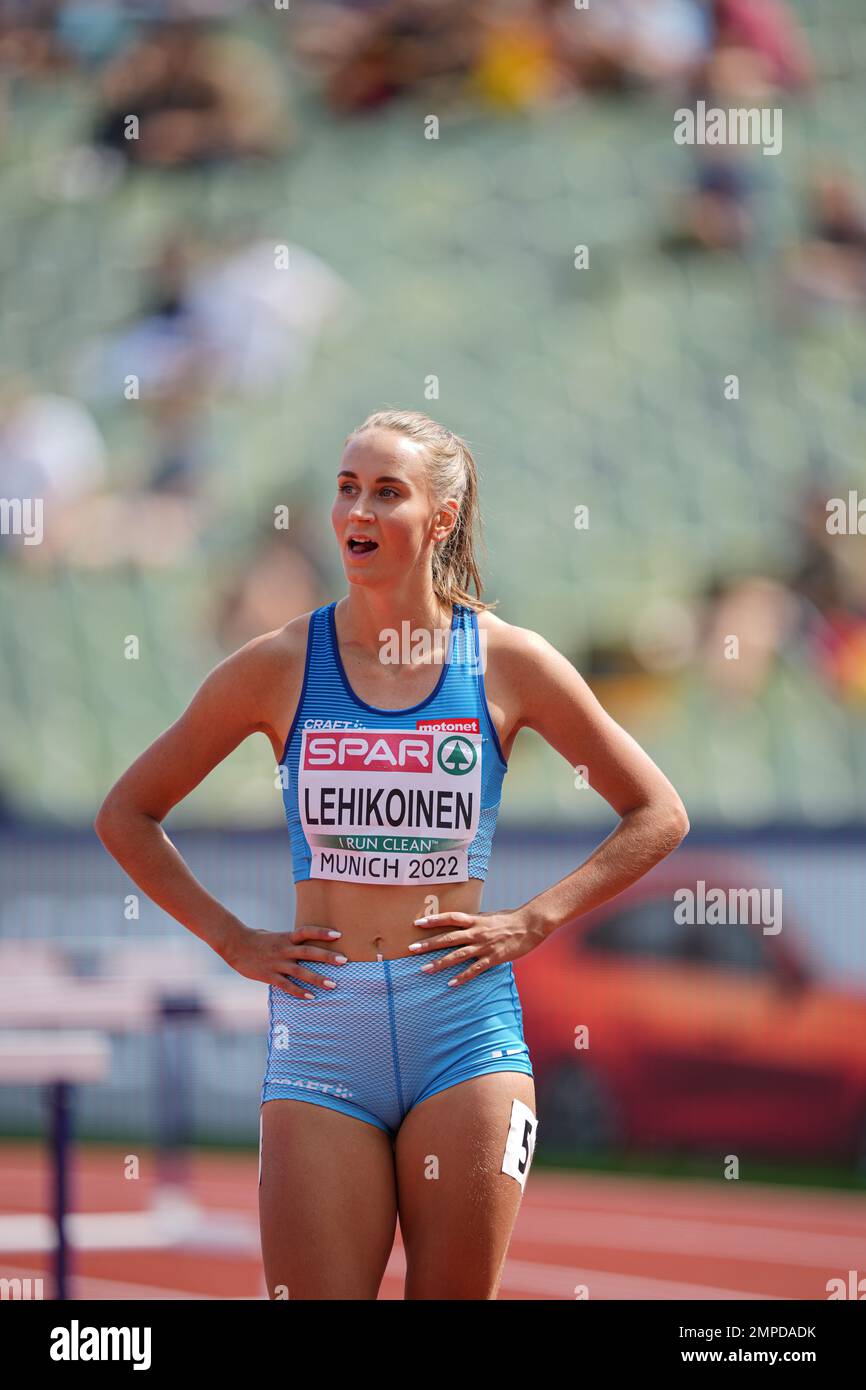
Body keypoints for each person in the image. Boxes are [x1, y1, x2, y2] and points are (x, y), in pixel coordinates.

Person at [94, 408, 689, 1300]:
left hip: (464, 1029)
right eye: (345, 489)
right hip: (323, 1029)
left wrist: (535, 919)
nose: (355, 512)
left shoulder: (507, 662)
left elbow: (657, 812)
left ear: (439, 519)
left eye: (385, 492)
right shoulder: (281, 663)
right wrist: (232, 940)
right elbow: (128, 813)